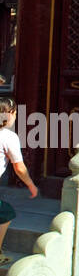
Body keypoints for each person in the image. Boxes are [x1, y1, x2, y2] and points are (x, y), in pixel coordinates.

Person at [0, 97, 38, 266]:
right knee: (6, 213)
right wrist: (30, 184)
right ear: (10, 113)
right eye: (15, 113)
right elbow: (19, 168)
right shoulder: (8, 137)